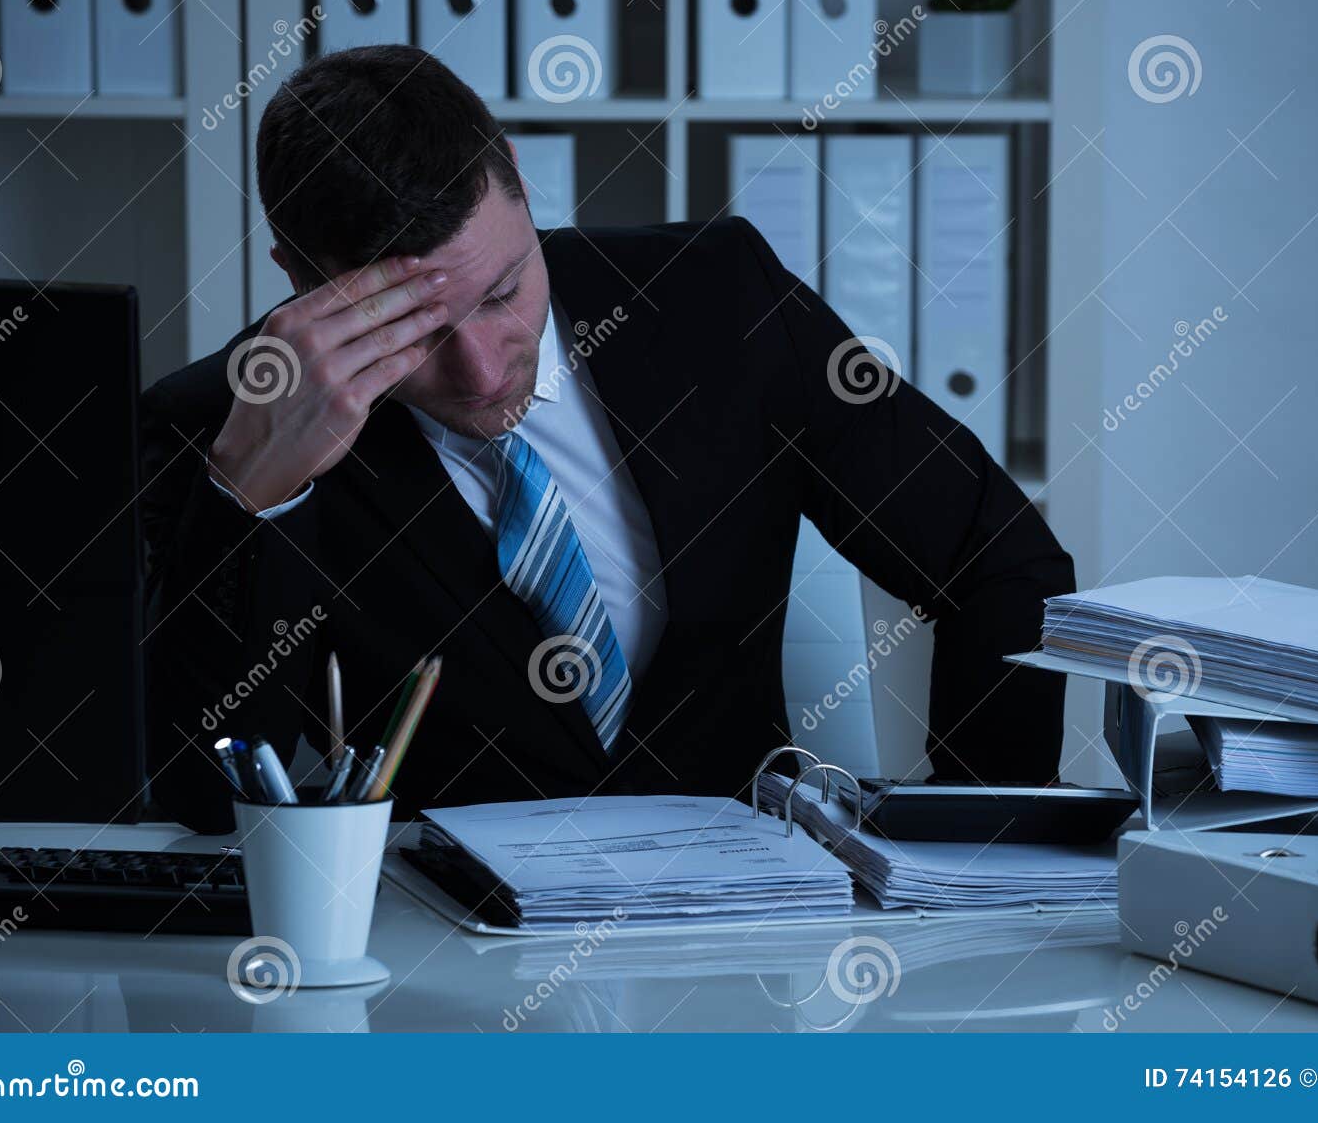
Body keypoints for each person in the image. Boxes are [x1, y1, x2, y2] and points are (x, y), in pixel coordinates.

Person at [140, 45, 1074, 833]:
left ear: (515, 173)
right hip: (445, 965)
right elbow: (199, 798)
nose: (480, 369)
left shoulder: (721, 296)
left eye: (502, 294)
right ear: (300, 280)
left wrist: (976, 848)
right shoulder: (209, 431)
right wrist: (253, 497)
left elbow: (1001, 558)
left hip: (747, 938)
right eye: (412, 335)